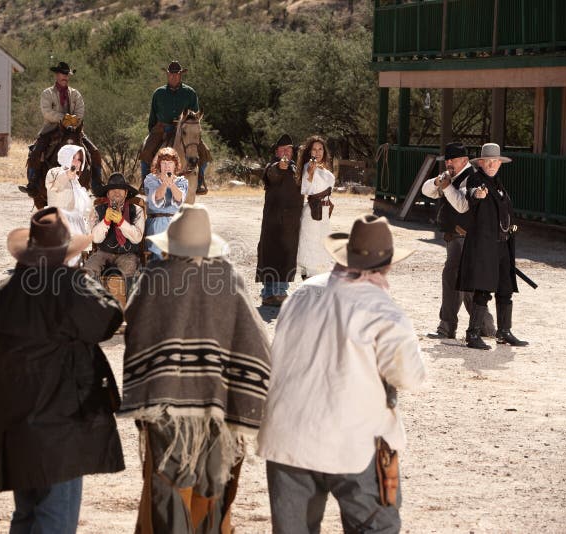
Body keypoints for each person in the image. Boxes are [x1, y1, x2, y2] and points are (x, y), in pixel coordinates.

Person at [258, 215, 426, 533]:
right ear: (386, 264)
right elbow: (410, 378)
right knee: (377, 527)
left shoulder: (303, 292)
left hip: (288, 434)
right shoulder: (385, 312)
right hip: (356, 440)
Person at [0, 208, 125, 534]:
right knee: (55, 520)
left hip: (15, 430)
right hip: (59, 433)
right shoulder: (69, 287)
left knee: (26, 517)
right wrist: (78, 277)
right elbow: (109, 318)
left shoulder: (5, 292)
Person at [122, 204, 271, 533]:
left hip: (165, 404)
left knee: (168, 488)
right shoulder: (227, 277)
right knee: (212, 487)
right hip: (216, 405)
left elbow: (136, 332)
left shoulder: (155, 277)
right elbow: (256, 340)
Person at [458, 143, 529, 350]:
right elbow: (471, 193)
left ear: (499, 163)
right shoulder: (476, 179)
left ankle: (504, 332)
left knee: (505, 289)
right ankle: (472, 334)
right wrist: (476, 195)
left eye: (494, 162)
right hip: (484, 246)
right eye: (487, 162)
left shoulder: (498, 183)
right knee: (483, 289)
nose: (491, 165)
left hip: (503, 245)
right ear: (480, 163)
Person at [421, 142, 495, 340]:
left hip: (466, 238)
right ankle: (485, 327)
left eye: (452, 160)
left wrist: (446, 187)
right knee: (467, 286)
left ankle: (447, 328)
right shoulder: (451, 176)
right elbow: (425, 190)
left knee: (452, 278)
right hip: (456, 238)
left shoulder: (472, 178)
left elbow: (462, 206)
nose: (448, 163)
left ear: (463, 160)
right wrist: (439, 182)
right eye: (447, 160)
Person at [24, 61, 102, 197]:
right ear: (56, 75)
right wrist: (63, 118)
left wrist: (73, 121)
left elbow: (80, 112)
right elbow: (47, 112)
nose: (64, 77)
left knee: (95, 152)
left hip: (74, 130)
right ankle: (33, 183)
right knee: (36, 152)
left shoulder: (75, 94)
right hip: (51, 129)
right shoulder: (47, 93)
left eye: (67, 74)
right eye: (62, 74)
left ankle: (97, 185)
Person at [139, 61, 211, 194]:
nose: (173, 77)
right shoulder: (158, 93)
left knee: (205, 153)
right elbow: (153, 116)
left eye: (176, 74)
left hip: (185, 129)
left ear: (180, 75)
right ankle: (145, 183)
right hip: (162, 128)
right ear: (167, 74)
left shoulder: (190, 93)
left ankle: (199, 183)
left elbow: (195, 116)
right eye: (171, 74)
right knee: (145, 151)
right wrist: (153, 132)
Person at [256, 134, 304, 306]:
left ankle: (280, 292)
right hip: (273, 221)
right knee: (270, 254)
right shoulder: (272, 166)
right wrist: (280, 166)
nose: (286, 152)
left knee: (286, 255)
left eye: (289, 149)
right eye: (283, 149)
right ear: (276, 152)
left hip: (291, 222)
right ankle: (269, 293)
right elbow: (273, 173)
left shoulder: (299, 169)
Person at [83, 173, 145, 280]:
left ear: (126, 193)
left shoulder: (136, 210)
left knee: (131, 274)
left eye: (120, 189)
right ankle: (96, 296)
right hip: (103, 253)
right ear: (108, 193)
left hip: (127, 254)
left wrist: (121, 222)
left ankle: (130, 297)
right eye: (113, 189)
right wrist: (106, 221)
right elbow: (96, 238)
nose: (117, 192)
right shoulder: (98, 210)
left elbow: (137, 238)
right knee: (89, 270)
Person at [46, 144, 94, 266]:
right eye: (74, 158)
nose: (77, 162)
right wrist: (67, 174)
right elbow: (53, 185)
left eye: (79, 160)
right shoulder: (54, 172)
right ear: (66, 157)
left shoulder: (76, 181)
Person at [296, 135, 335, 279]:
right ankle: (310, 285)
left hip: (324, 214)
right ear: (309, 152)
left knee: (321, 249)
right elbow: (306, 188)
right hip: (313, 213)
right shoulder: (308, 167)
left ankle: (314, 286)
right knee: (311, 249)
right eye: (314, 149)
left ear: (324, 151)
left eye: (320, 149)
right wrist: (311, 173)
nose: (317, 152)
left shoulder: (327, 172)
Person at [143, 147, 188, 261]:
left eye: (170, 163)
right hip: (156, 224)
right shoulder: (150, 179)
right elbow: (157, 197)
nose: (167, 166)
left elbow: (179, 198)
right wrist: (164, 184)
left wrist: (171, 184)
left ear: (175, 165)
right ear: (159, 165)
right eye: (163, 163)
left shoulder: (182, 181)